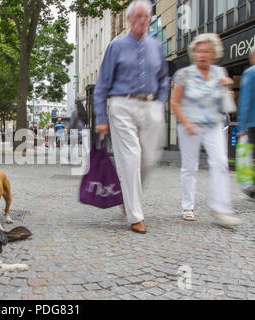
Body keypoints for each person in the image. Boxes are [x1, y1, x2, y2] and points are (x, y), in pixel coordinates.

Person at [94, 0, 169, 234]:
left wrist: (160, 100)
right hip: (122, 104)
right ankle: (136, 215)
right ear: (128, 19)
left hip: (150, 105)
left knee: (148, 159)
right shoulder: (116, 46)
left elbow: (164, 77)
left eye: (146, 16)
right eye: (137, 16)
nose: (142, 21)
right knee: (131, 157)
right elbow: (102, 84)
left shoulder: (156, 45)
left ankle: (128, 196)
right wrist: (100, 117)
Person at [171, 33, 242, 227]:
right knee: (189, 167)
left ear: (213, 53)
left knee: (220, 163)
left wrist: (228, 88)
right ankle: (188, 206)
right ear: (194, 53)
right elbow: (175, 103)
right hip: (190, 126)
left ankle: (221, 209)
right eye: (199, 51)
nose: (202, 55)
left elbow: (226, 102)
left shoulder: (220, 72)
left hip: (213, 124)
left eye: (206, 51)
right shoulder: (184, 74)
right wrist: (186, 122)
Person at [237, 42, 255, 199]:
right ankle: (254, 190)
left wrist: (241, 128)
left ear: (254, 55)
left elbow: (245, 102)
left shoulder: (251, 72)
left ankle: (253, 189)